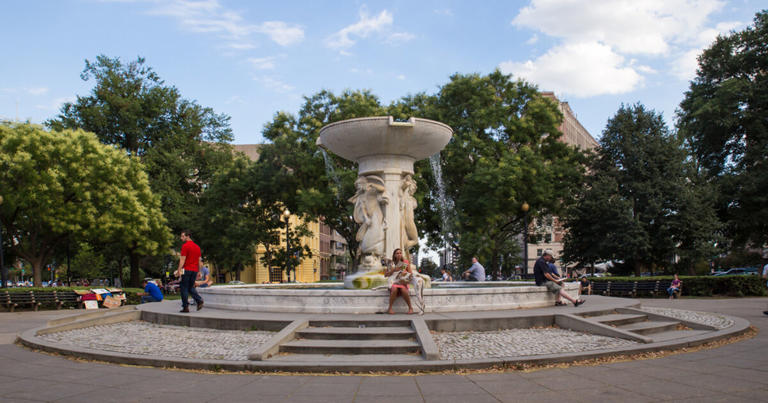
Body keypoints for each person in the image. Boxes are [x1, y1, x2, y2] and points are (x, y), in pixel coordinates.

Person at [175, 230, 204, 313]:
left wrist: (179, 270)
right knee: (190, 287)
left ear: (188, 236)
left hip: (187, 270)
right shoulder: (197, 247)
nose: (181, 238)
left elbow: (182, 259)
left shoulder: (185, 246)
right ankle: (199, 300)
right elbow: (199, 261)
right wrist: (199, 271)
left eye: (182, 236)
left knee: (183, 288)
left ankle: (185, 307)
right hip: (194, 270)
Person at [384, 248, 415, 314]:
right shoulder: (391, 263)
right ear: (394, 255)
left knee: (403, 290)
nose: (399, 254)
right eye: (397, 253)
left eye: (400, 253)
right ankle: (390, 308)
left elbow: (410, 273)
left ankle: (410, 308)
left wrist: (405, 273)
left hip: (402, 282)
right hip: (393, 282)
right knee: (395, 289)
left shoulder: (405, 262)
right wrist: (393, 270)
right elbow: (386, 275)